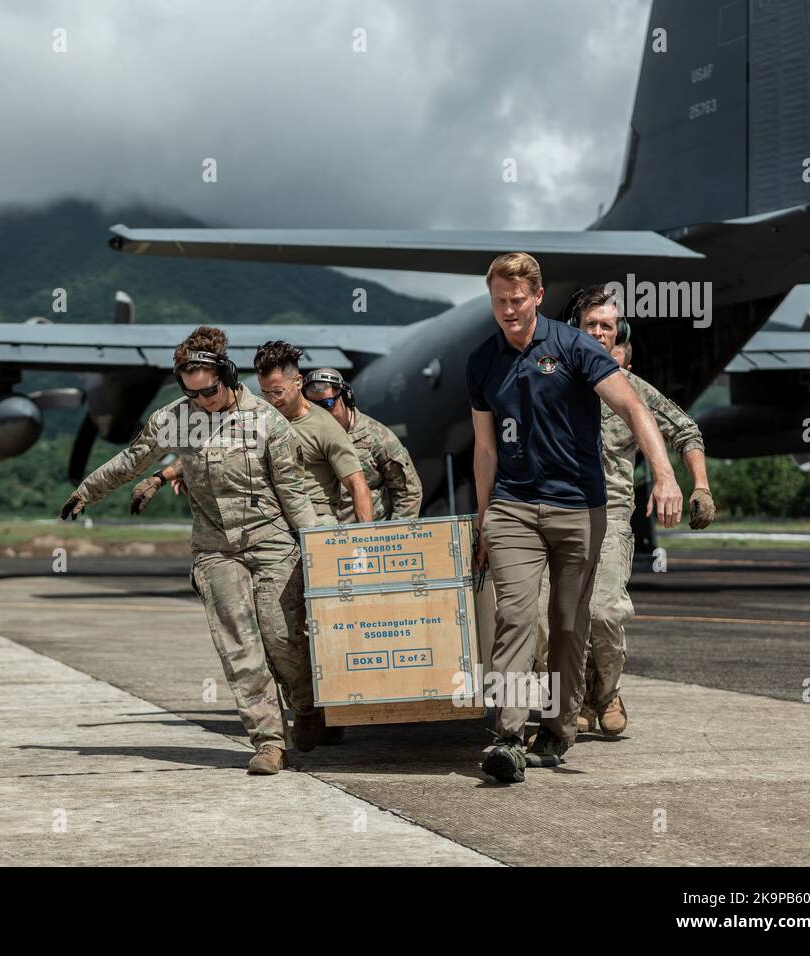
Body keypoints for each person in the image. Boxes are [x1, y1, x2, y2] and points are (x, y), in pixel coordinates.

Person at [62, 326, 320, 775]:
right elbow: (133, 458)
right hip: (215, 547)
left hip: (271, 539)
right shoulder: (175, 419)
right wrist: (88, 491)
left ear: (228, 373)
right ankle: (268, 742)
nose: (203, 401)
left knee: (282, 639)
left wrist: (318, 547)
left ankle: (307, 702)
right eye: (193, 394)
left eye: (210, 391)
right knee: (238, 645)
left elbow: (294, 493)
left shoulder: (267, 421)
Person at [467, 253, 684, 784]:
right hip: (513, 508)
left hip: (578, 509)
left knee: (568, 626)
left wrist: (665, 474)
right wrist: (482, 519)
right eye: (500, 301)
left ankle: (559, 728)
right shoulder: (482, 361)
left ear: (538, 297)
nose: (509, 310)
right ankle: (508, 736)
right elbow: (485, 448)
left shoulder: (575, 348)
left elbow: (635, 408)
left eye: (518, 300)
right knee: (517, 620)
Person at [135, 341, 372, 748]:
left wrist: (362, 545)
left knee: (284, 637)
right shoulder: (253, 419)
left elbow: (355, 482)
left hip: (310, 523)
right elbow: (207, 450)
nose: (272, 399)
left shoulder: (322, 426)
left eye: (278, 391)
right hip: (257, 528)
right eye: (266, 392)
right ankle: (281, 725)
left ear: (298, 383)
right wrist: (164, 475)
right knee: (252, 637)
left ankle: (312, 706)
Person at [535, 287, 715, 737]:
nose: (597, 333)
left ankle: (607, 690)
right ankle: (570, 701)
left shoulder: (629, 386)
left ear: (619, 336)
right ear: (573, 331)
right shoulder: (547, 376)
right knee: (543, 618)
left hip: (611, 510)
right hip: (553, 508)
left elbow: (685, 430)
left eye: (606, 327)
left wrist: (698, 486)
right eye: (590, 325)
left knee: (603, 611)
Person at [301, 368, 423, 521]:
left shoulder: (376, 436)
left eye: (328, 404)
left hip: (367, 536)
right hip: (324, 534)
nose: (322, 414)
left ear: (345, 398)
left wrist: (396, 535)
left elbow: (408, 492)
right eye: (313, 407)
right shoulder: (303, 437)